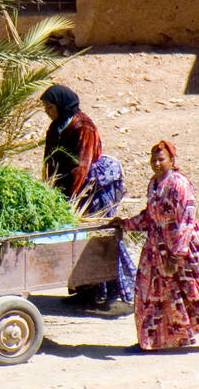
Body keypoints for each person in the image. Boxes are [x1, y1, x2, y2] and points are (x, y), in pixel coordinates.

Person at [111, 140, 199, 352]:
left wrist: (177, 255)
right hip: (156, 250)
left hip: (182, 250)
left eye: (161, 159)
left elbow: (186, 220)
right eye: (153, 159)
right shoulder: (154, 184)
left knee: (195, 290)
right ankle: (150, 340)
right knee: (150, 294)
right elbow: (150, 216)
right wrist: (126, 224)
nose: (156, 163)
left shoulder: (179, 185)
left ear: (172, 161)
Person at [40, 83, 135, 308]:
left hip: (93, 188)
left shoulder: (84, 127)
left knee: (97, 238)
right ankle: (83, 292)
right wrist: (49, 188)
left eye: (50, 107)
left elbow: (82, 165)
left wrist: (70, 198)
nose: (47, 112)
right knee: (75, 240)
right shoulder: (56, 127)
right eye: (45, 108)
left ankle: (111, 291)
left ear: (61, 105)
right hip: (69, 186)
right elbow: (49, 160)